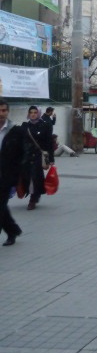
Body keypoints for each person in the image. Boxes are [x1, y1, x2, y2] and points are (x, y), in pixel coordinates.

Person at [20, 106, 54, 211]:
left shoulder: (44, 125)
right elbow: (20, 141)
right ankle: (36, 193)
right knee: (27, 176)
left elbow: (49, 142)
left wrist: (51, 159)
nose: (33, 114)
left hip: (39, 155)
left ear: (38, 113)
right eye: (31, 112)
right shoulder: (25, 126)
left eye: (35, 112)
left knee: (34, 176)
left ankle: (33, 199)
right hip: (27, 155)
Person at [0, 100, 23, 245]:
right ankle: (12, 229)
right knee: (1, 208)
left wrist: (17, 175)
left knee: (0, 206)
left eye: (4, 110)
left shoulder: (15, 131)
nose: (1, 114)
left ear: (8, 112)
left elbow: (20, 155)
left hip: (5, 176)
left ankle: (12, 232)